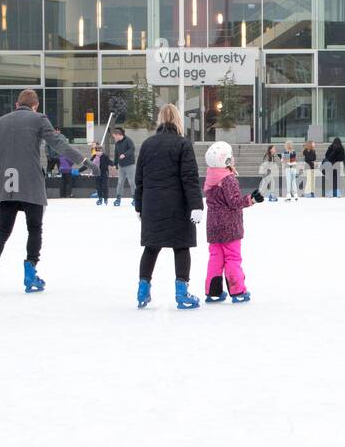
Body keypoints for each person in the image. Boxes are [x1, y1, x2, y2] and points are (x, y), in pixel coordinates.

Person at [0, 89, 84, 294]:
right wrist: (83, 160)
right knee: (34, 228)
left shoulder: (0, 122)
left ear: (17, 105)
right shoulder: (39, 119)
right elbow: (59, 144)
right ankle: (30, 272)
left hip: (7, 184)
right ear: (36, 106)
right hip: (31, 183)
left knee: (2, 229)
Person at [134, 104, 204, 310]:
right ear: (177, 120)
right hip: (177, 205)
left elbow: (140, 179)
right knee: (181, 247)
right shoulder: (182, 144)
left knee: (151, 247)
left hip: (152, 204)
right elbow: (190, 179)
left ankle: (142, 290)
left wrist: (139, 206)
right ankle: (182, 292)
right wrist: (196, 206)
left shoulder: (148, 144)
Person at [203, 141, 263, 304]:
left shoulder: (210, 177)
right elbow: (234, 202)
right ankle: (238, 291)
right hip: (229, 226)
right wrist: (252, 199)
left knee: (215, 258)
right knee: (232, 257)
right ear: (226, 161)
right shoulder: (228, 179)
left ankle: (213, 291)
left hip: (213, 226)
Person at [110, 126, 137, 207]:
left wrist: (124, 155)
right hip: (121, 166)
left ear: (118, 135)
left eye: (114, 136)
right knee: (120, 182)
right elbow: (116, 154)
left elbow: (132, 149)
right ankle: (118, 198)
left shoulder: (128, 140)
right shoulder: (117, 143)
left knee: (132, 182)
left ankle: (135, 199)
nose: (114, 138)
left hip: (130, 165)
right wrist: (115, 165)